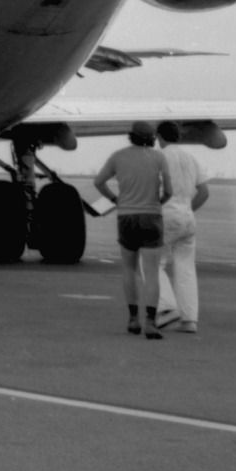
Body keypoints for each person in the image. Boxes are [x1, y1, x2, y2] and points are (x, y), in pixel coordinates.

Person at [92, 121, 171, 338]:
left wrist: (115, 199)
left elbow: (99, 181)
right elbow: (169, 190)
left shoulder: (118, 156)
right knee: (152, 271)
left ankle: (133, 318)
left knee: (129, 268)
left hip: (126, 216)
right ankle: (151, 322)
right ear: (152, 138)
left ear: (131, 136)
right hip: (152, 216)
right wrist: (158, 202)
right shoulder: (158, 157)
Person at [154, 121, 211, 334]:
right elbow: (204, 192)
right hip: (187, 217)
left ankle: (167, 308)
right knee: (185, 267)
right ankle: (189, 320)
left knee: (151, 262)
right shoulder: (191, 158)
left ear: (160, 137)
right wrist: (187, 210)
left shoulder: (159, 158)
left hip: (165, 215)